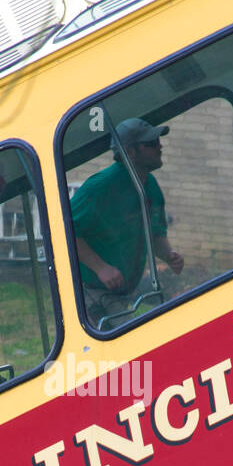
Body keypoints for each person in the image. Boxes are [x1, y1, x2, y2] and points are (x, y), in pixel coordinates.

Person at [70, 117, 184, 326]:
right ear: (129, 152)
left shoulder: (149, 185)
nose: (160, 147)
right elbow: (64, 232)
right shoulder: (101, 187)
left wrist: (169, 255)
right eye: (150, 144)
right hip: (91, 293)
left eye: (158, 141)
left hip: (122, 293)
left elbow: (155, 233)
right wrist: (101, 268)